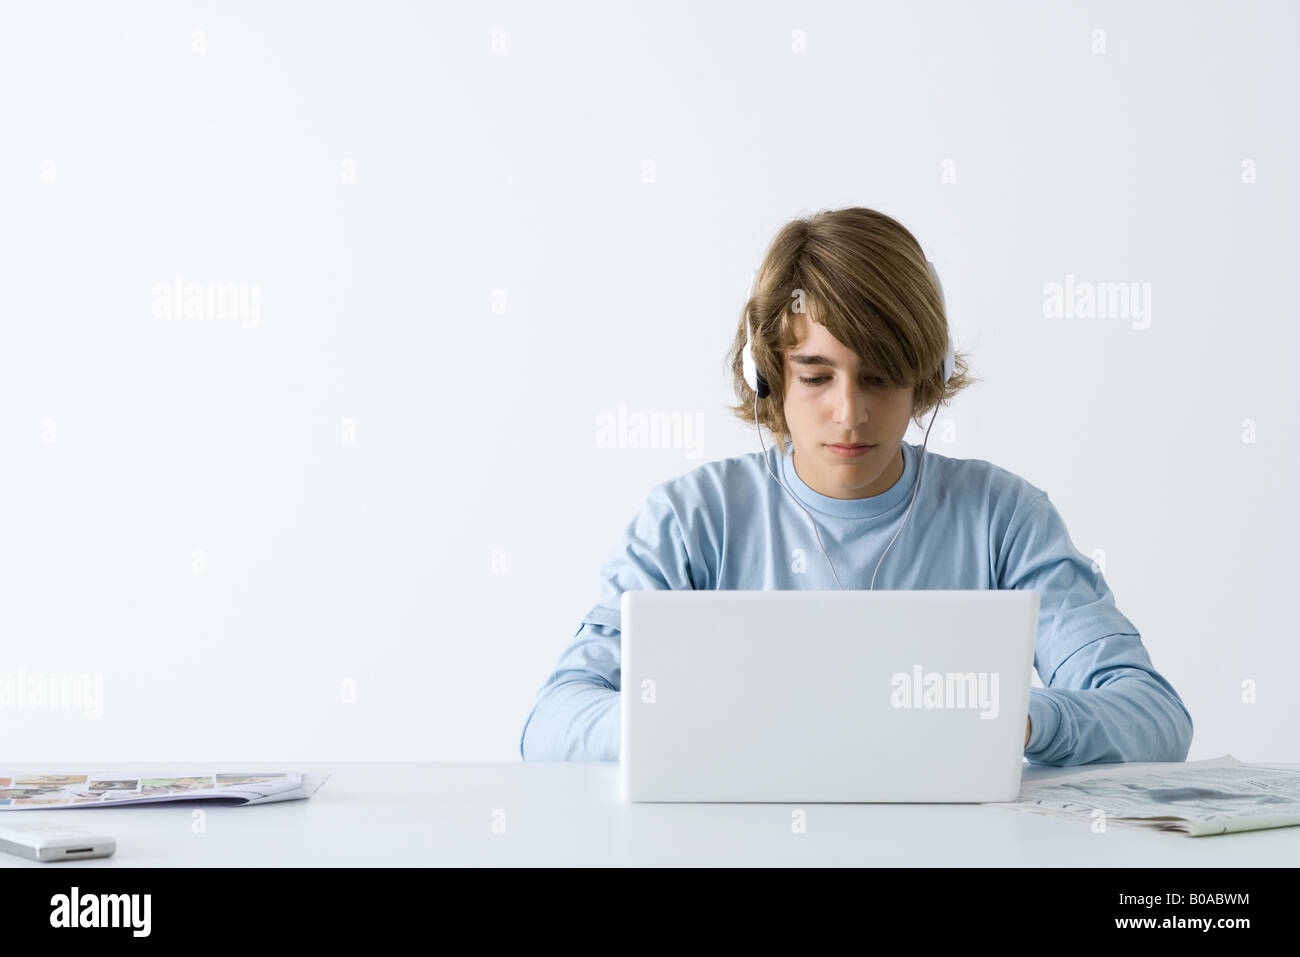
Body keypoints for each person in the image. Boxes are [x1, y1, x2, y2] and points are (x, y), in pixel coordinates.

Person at [519, 206, 1193, 767]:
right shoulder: (690, 519)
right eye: (816, 377)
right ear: (769, 377)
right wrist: (703, 727)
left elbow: (1155, 716)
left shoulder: (1004, 518)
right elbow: (552, 721)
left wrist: (1011, 721)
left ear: (925, 375)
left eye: (879, 376)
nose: (849, 413)